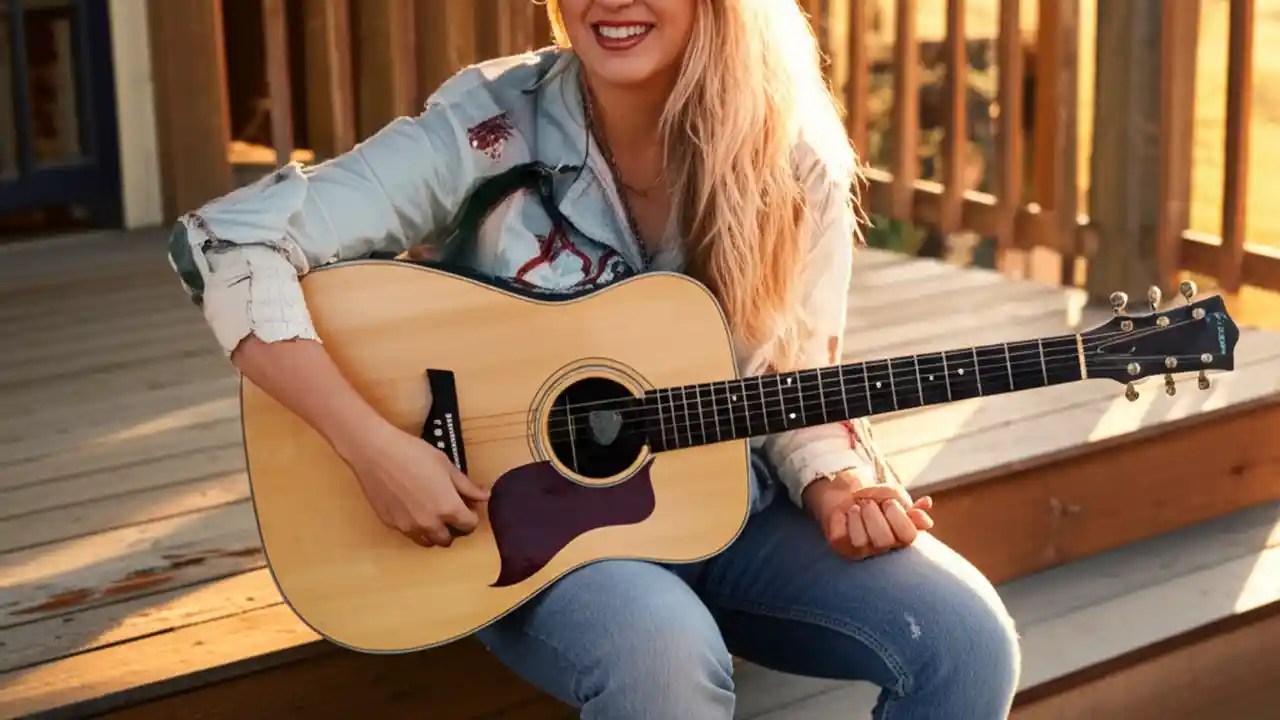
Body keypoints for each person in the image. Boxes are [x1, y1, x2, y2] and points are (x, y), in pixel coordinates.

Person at [166, 1, 1020, 717]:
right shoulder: (487, 126)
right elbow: (225, 240)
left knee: (963, 640)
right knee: (662, 657)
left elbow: (789, 373)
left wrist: (837, 483)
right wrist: (376, 447)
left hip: (730, 505)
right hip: (515, 525)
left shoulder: (794, 162)